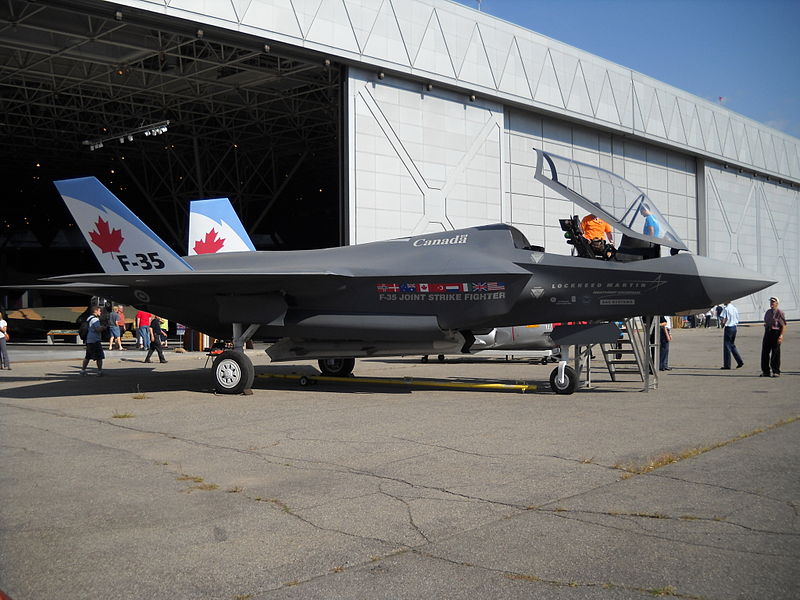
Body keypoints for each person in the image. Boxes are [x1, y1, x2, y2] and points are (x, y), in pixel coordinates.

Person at [760, 296, 787, 377]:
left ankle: (776, 371)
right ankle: (766, 371)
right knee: (765, 352)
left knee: (775, 352)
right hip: (768, 332)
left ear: (777, 303)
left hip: (776, 332)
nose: (772, 303)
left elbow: (783, 326)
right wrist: (766, 325)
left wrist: (781, 336)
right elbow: (766, 321)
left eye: (773, 302)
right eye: (771, 302)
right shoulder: (768, 312)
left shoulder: (780, 313)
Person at [80, 305, 106, 376]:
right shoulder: (95, 319)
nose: (100, 312)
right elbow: (97, 329)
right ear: (95, 311)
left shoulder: (88, 318)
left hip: (89, 340)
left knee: (87, 356)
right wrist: (103, 328)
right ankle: (99, 371)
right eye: (99, 311)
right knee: (99, 357)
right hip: (95, 340)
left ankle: (83, 370)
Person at [719, 301, 744, 370]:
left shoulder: (726, 309)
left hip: (729, 327)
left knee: (727, 346)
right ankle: (739, 361)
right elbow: (737, 318)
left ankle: (727, 365)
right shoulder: (734, 308)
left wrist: (722, 325)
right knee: (732, 345)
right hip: (734, 327)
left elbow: (724, 319)